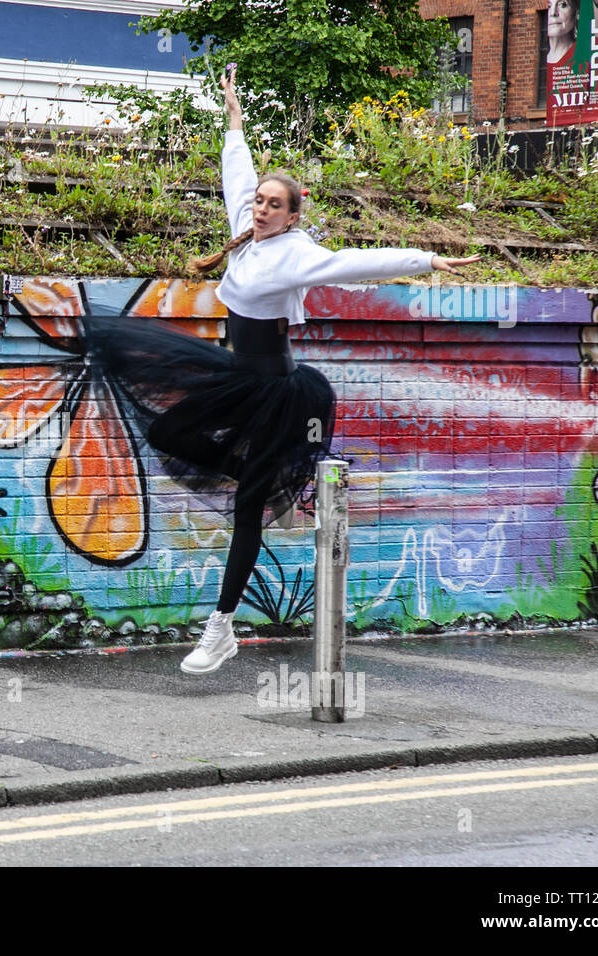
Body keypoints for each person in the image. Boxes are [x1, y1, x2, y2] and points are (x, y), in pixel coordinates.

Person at [85, 65, 479, 675]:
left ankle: (220, 628)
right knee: (166, 434)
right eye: (261, 201)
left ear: (293, 216)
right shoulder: (244, 230)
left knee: (246, 514)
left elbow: (355, 262)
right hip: (232, 377)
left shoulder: (296, 255)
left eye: (275, 204)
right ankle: (268, 482)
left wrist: (428, 259)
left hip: (272, 389)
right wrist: (234, 109)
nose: (263, 208)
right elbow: (234, 164)